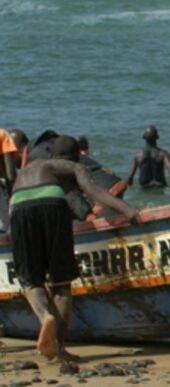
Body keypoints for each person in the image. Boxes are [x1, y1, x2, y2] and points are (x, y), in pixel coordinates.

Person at [9, 136, 140, 367]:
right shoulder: (73, 166)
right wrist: (128, 210)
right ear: (76, 155)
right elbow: (95, 191)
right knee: (61, 282)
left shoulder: (29, 168)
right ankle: (59, 347)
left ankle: (44, 317)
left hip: (18, 205)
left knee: (31, 281)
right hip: (52, 201)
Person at [126, 126, 170, 190]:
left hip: (144, 189)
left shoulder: (138, 155)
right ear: (157, 137)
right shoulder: (163, 154)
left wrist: (128, 188)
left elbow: (130, 176)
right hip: (160, 187)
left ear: (143, 137)